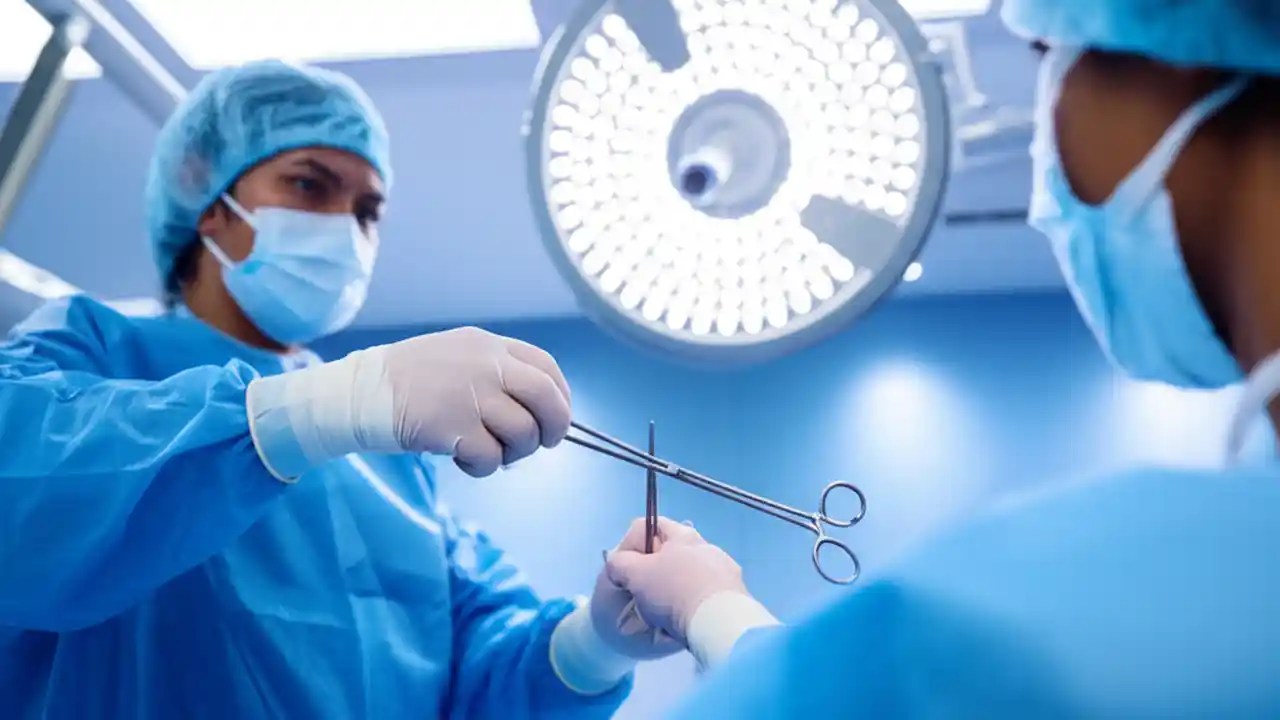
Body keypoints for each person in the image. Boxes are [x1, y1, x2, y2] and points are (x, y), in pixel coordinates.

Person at [0, 60, 772, 718]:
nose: (346, 226)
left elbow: (473, 664)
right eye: (310, 185)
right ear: (208, 200)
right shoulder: (99, 349)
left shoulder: (391, 459)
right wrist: (317, 411)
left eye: (368, 211)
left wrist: (592, 642)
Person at [597, 1, 1280, 717]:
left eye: (1048, 55)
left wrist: (707, 612)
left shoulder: (1027, 626)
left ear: (1179, 63)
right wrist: (716, 611)